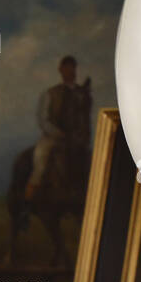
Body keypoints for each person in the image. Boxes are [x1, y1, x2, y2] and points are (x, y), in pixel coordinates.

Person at [26, 55, 90, 201]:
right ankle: (28, 200)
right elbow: (42, 119)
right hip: (53, 138)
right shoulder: (50, 93)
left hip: (76, 138)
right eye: (66, 68)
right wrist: (56, 132)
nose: (69, 71)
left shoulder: (82, 93)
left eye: (72, 68)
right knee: (40, 158)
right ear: (61, 70)